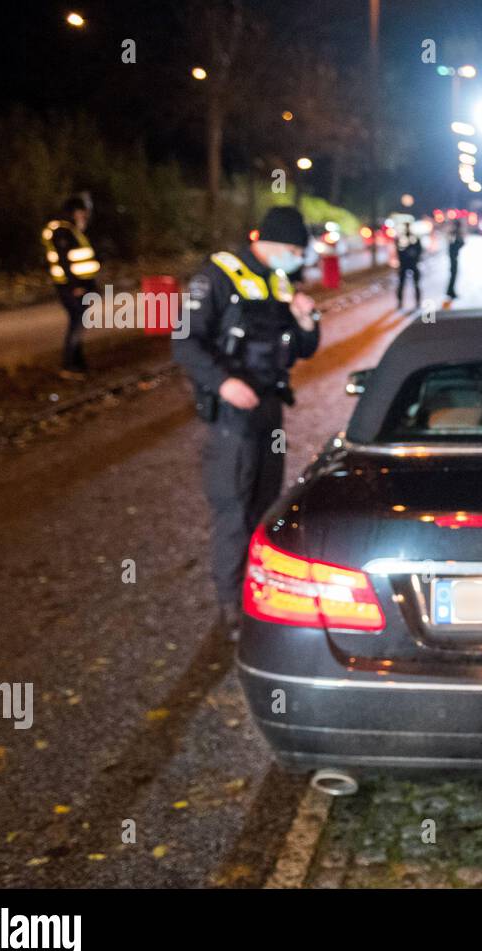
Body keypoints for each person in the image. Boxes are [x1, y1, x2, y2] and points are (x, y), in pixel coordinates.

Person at [174, 206, 321, 640]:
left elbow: (303, 348)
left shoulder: (279, 281)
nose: (297, 259)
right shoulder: (218, 276)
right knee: (233, 507)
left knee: (265, 505)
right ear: (275, 243)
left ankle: (260, 593)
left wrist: (306, 320)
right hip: (232, 415)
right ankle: (232, 606)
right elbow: (185, 342)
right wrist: (223, 384)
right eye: (295, 250)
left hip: (270, 407)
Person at [41, 195, 101, 377]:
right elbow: (64, 262)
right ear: (74, 212)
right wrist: (75, 285)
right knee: (76, 323)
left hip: (79, 286)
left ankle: (78, 362)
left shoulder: (72, 230)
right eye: (81, 212)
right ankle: (69, 365)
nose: (84, 216)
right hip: (71, 287)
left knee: (79, 323)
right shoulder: (61, 231)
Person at [396, 221, 423, 308]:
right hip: (405, 264)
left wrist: (415, 256)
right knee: (402, 284)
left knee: (415, 284)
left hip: (412, 263)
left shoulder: (413, 237)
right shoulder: (402, 238)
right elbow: (398, 249)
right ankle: (400, 302)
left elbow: (419, 248)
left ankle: (417, 302)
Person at [445, 219, 464, 299]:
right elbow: (453, 244)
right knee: (453, 274)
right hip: (453, 257)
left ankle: (451, 291)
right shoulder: (454, 233)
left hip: (454, 256)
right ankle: (450, 291)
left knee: (454, 274)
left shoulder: (455, 233)